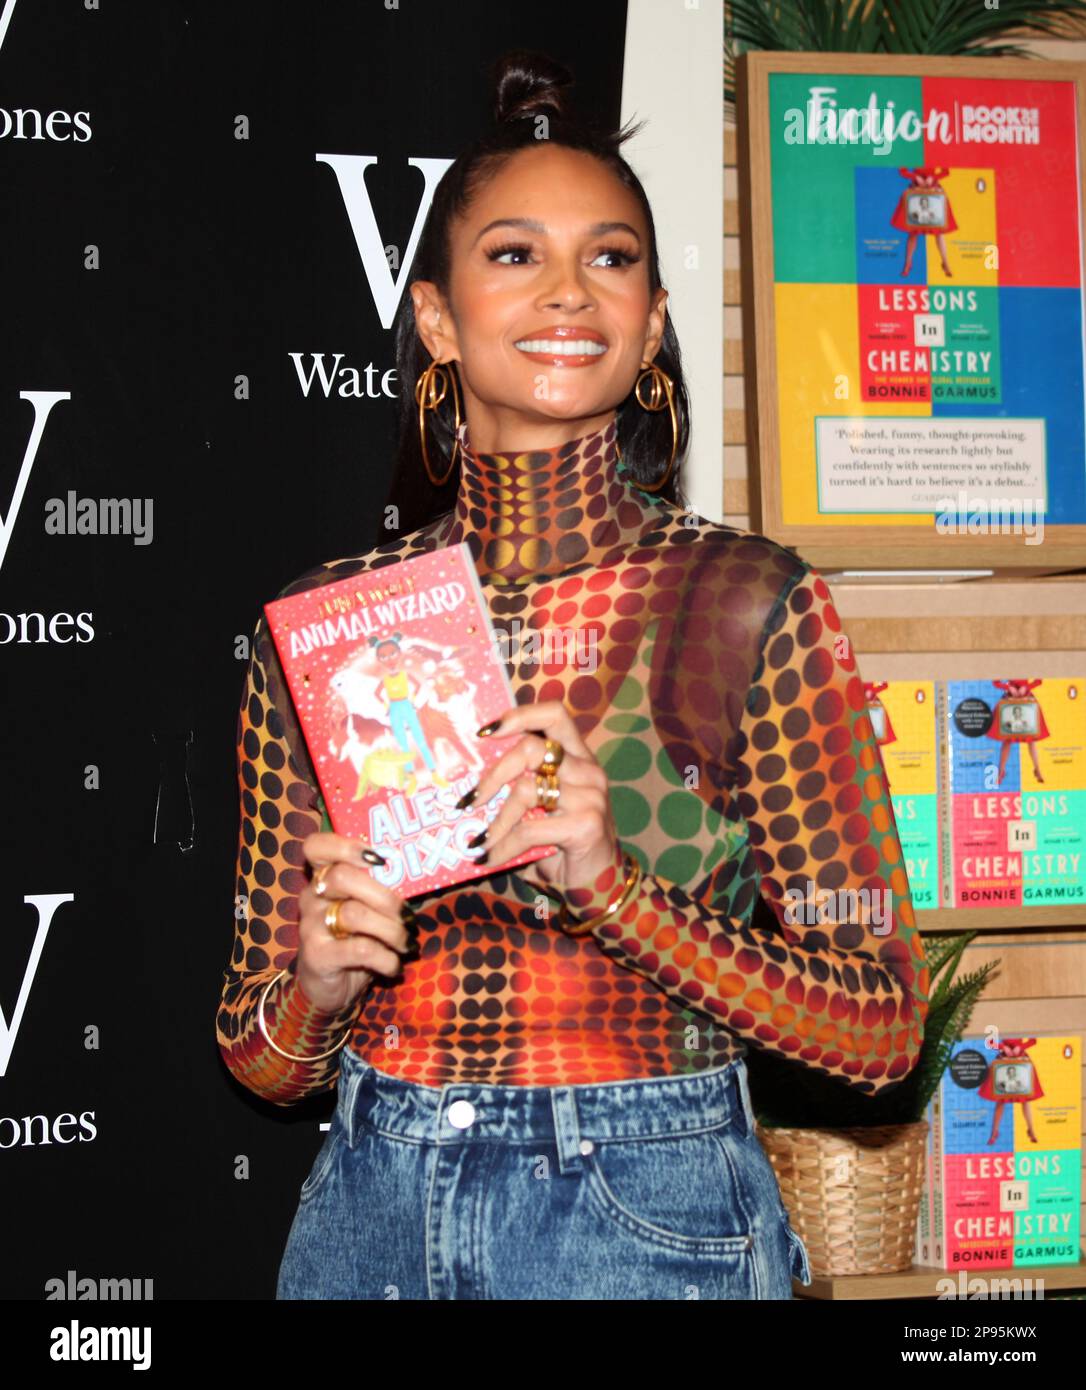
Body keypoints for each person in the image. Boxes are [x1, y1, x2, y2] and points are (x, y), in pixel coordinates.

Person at [216, 48, 930, 1301]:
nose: (567, 292)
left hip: (647, 1215)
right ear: (436, 316)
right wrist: (320, 988)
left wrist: (614, 886)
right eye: (513, 254)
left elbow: (877, 1027)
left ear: (651, 324)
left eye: (609, 257)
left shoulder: (745, 603)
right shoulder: (329, 623)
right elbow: (259, 1057)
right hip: (373, 1206)